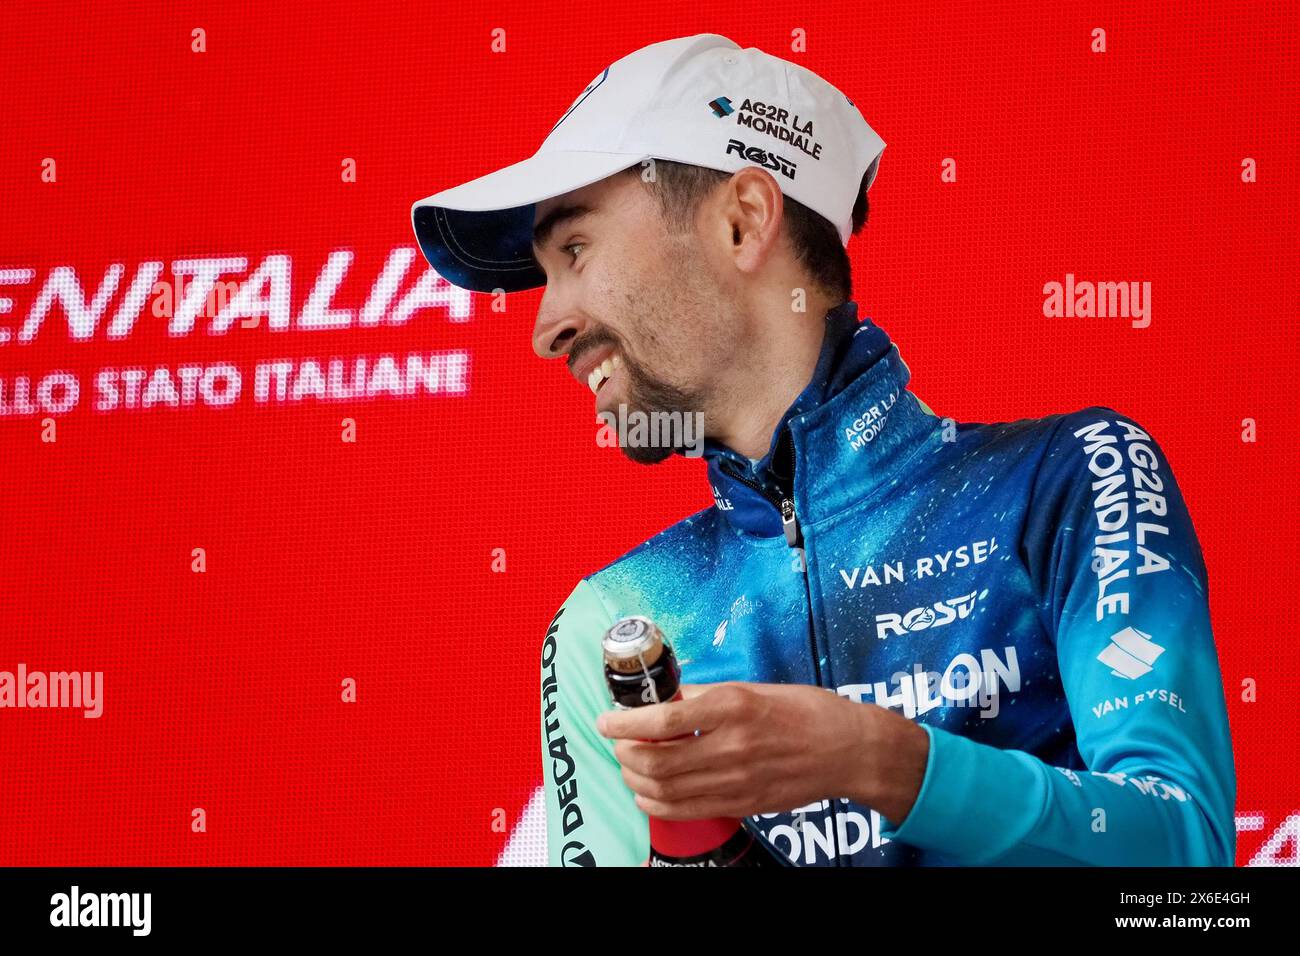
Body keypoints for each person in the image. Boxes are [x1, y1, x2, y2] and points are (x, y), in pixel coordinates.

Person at [410, 33, 1237, 867]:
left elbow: (1185, 862)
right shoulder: (616, 618)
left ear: (743, 222)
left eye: (575, 251)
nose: (546, 330)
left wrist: (875, 759)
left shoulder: (1071, 476)